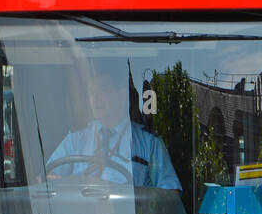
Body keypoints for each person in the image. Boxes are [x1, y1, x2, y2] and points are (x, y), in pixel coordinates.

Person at [46, 64, 181, 190]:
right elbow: (46, 179)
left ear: (122, 96)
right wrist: (72, 182)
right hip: (82, 213)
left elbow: (169, 193)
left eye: (102, 90)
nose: (95, 98)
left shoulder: (149, 142)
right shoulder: (75, 139)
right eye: (91, 92)